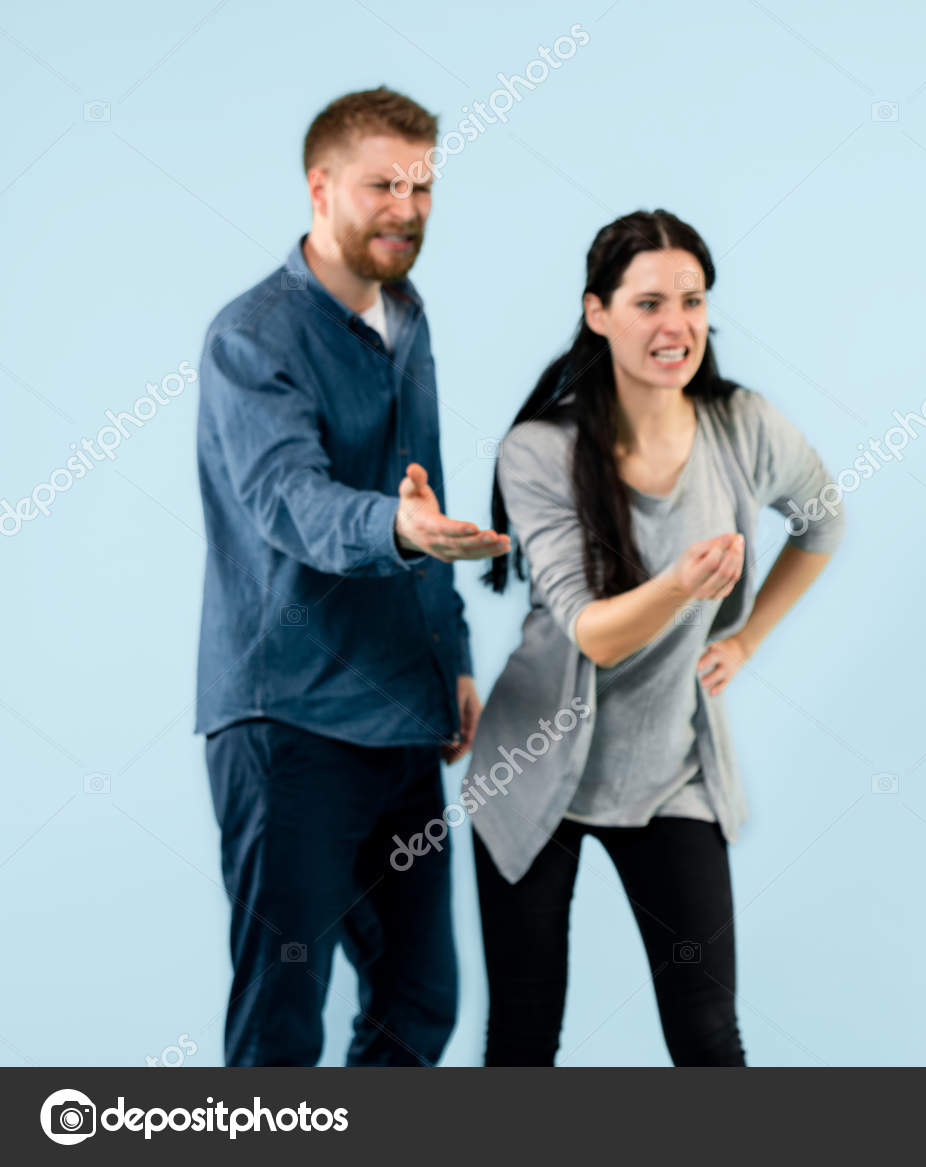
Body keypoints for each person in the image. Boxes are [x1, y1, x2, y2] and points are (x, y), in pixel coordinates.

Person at [467, 209, 843, 1065]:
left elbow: (823, 521)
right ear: (597, 312)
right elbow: (592, 633)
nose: (675, 325)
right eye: (647, 303)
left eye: (693, 300)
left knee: (709, 1036)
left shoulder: (742, 425)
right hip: (535, 772)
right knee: (523, 1038)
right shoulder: (539, 449)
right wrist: (678, 586)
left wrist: (744, 639)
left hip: (669, 766)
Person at [194, 86, 509, 1066]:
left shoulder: (407, 317)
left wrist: (451, 651)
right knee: (282, 1019)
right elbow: (290, 500)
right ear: (320, 186)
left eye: (422, 185)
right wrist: (403, 531)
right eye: (383, 184)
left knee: (420, 1007)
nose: (407, 208)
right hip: (288, 723)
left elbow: (425, 491)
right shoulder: (251, 338)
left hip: (403, 718)